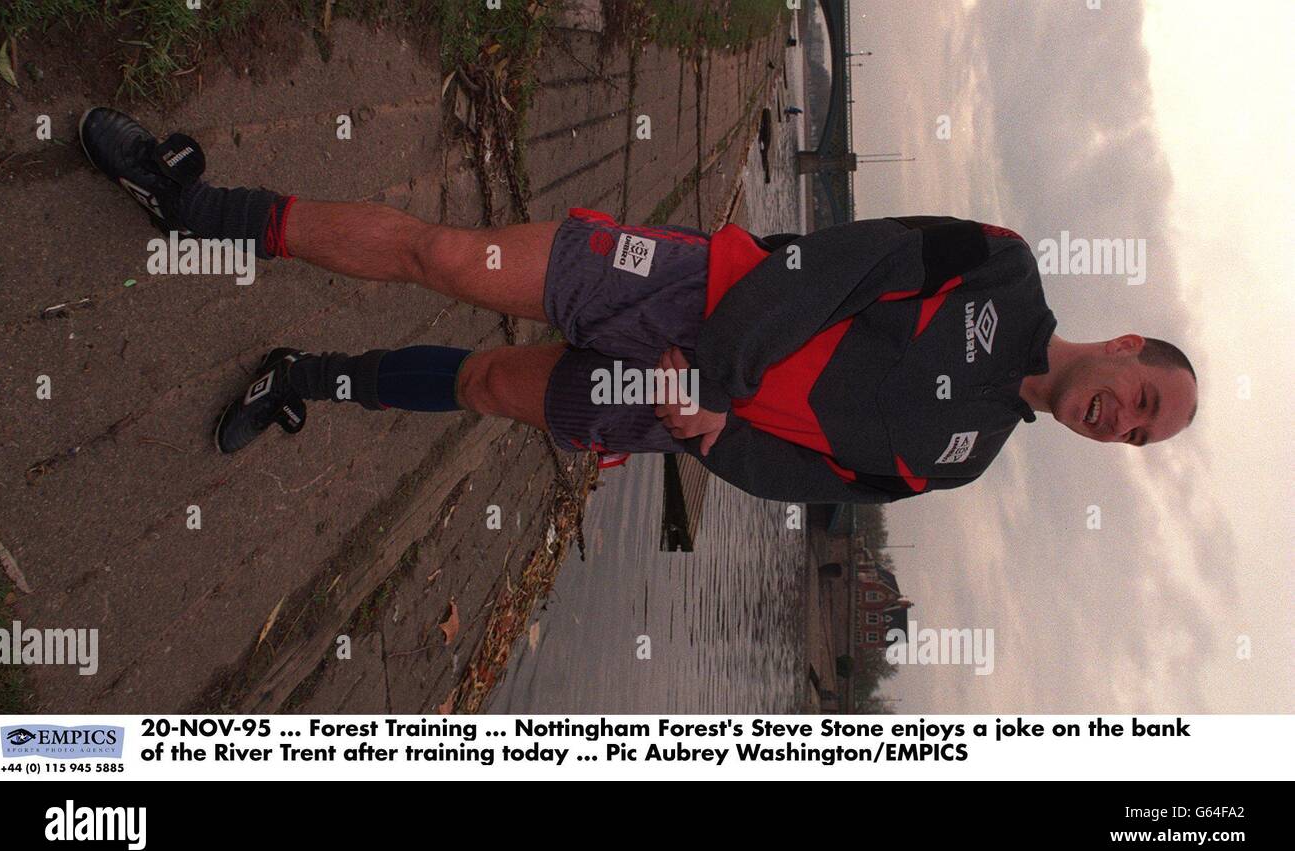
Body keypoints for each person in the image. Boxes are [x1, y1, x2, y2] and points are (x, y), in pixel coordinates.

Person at [78, 108, 1198, 503]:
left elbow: (809, 478)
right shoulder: (999, 270)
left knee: (481, 386)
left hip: (662, 405)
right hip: (685, 292)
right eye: (1145, 396)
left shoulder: (963, 459)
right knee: (450, 256)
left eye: (1142, 433)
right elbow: (839, 266)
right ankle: (196, 204)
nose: (1127, 421)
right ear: (1130, 345)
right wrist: (716, 373)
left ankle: (304, 377)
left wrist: (707, 432)